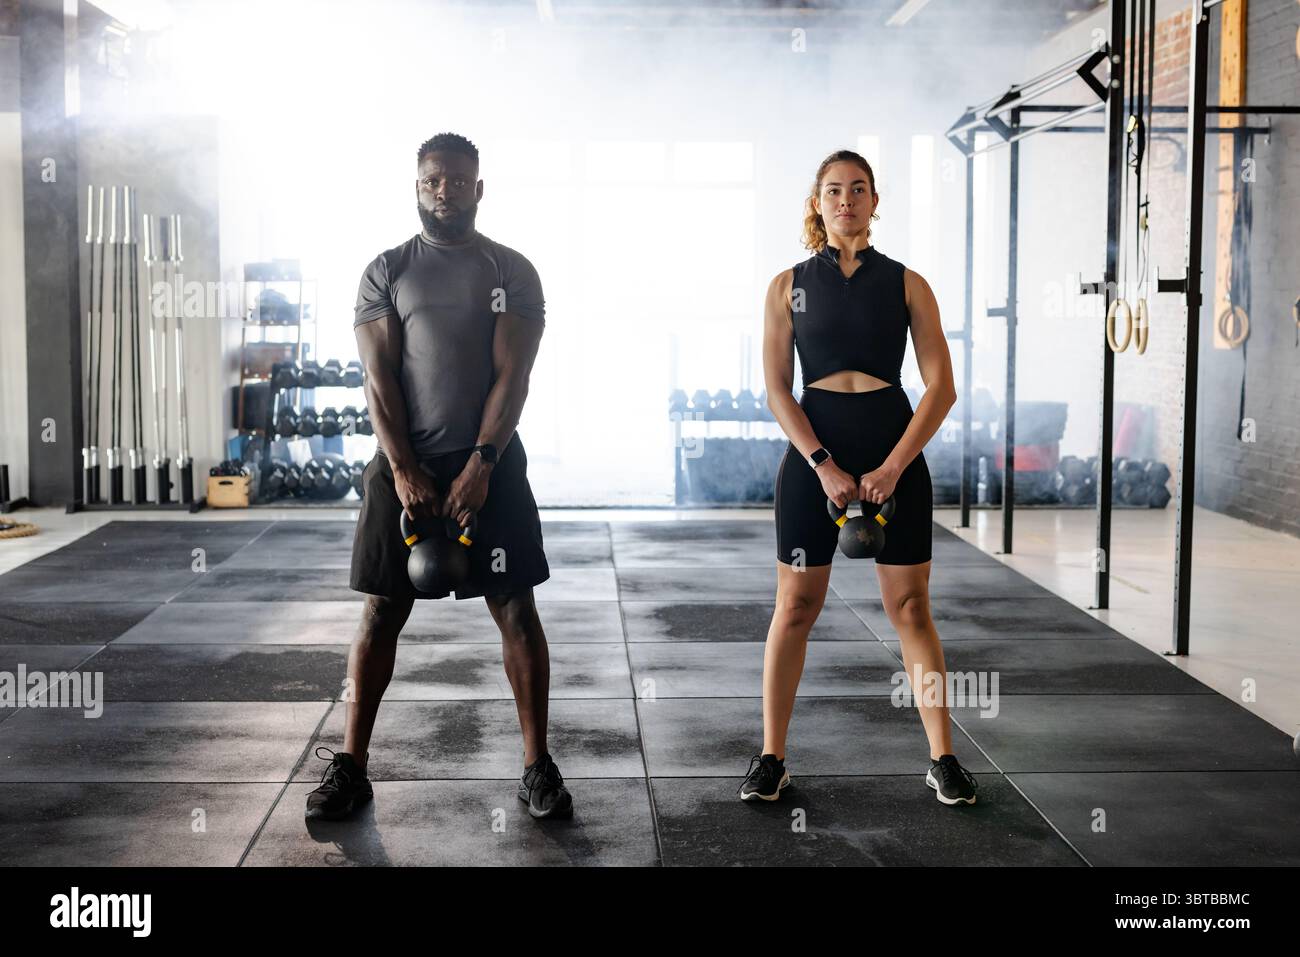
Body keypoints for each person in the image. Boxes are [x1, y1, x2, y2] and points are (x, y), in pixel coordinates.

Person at [306, 132, 572, 822]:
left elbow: (515, 376)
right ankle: (352, 766)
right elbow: (378, 377)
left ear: (478, 188)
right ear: (416, 186)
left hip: (492, 459)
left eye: (457, 181)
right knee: (381, 612)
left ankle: (536, 767)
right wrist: (401, 468)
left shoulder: (511, 270)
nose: (444, 191)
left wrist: (483, 461)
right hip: (404, 463)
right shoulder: (386, 269)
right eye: (432, 180)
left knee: (516, 609)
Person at [739, 148, 978, 807]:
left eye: (859, 188)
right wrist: (823, 465)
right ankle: (771, 756)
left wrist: (894, 465)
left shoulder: (907, 284)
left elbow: (941, 388)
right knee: (795, 608)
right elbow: (776, 392)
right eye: (833, 190)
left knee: (910, 609)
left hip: (890, 444)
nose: (846, 199)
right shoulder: (787, 285)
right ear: (817, 203)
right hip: (814, 456)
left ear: (875, 202)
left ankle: (942, 757)